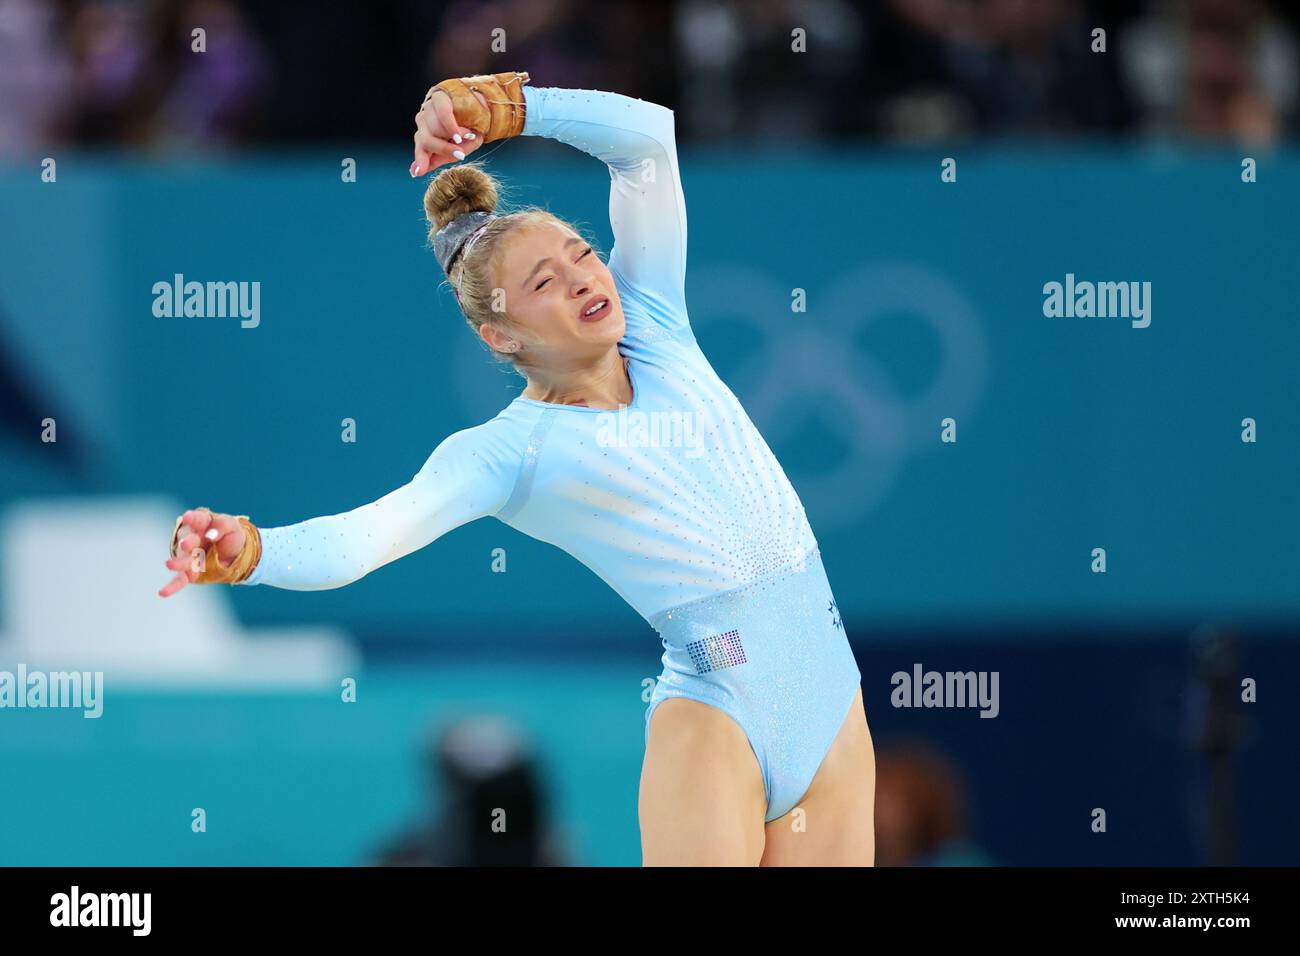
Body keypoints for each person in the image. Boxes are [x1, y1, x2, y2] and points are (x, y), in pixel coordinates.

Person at [160, 71, 876, 866]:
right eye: (544, 283)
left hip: (833, 709)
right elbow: (360, 540)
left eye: (580, 255)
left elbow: (646, 143)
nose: (581, 279)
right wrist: (251, 551)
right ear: (498, 335)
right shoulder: (509, 453)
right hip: (720, 723)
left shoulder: (659, 325)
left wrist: (504, 109)